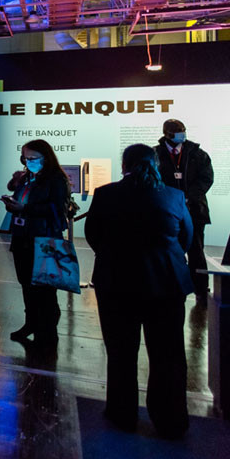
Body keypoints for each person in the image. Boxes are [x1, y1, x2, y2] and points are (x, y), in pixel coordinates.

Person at [85, 144, 194, 438]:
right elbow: (186, 238)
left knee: (121, 352)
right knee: (168, 355)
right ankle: (170, 419)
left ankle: (122, 414)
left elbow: (92, 234)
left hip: (117, 284)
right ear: (155, 164)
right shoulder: (173, 195)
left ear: (125, 164)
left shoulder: (106, 194)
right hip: (166, 284)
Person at [2, 140, 71, 347]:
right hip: (22, 237)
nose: (28, 162)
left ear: (45, 157)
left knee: (44, 289)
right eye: (25, 158)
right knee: (26, 284)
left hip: (44, 239)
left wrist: (24, 208)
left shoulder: (56, 179)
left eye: (32, 158)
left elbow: (57, 210)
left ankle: (47, 330)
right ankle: (31, 323)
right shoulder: (26, 178)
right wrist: (14, 205)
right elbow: (19, 196)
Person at [155, 119, 213, 299]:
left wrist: (188, 197)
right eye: (176, 132)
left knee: (196, 250)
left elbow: (206, 178)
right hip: (166, 212)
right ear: (166, 134)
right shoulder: (155, 154)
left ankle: (201, 289)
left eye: (183, 131)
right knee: (167, 251)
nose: (181, 135)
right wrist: (169, 199)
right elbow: (154, 179)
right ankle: (169, 288)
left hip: (194, 210)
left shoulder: (197, 154)